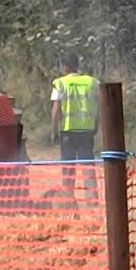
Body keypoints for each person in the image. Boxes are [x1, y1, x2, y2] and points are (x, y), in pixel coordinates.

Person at [50, 53, 100, 200]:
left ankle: (68, 200)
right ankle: (92, 200)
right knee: (88, 168)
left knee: (68, 169)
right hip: (87, 131)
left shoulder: (60, 83)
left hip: (68, 131)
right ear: (77, 65)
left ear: (65, 66)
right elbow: (99, 106)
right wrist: (96, 125)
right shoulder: (92, 82)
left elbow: (56, 110)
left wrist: (53, 132)